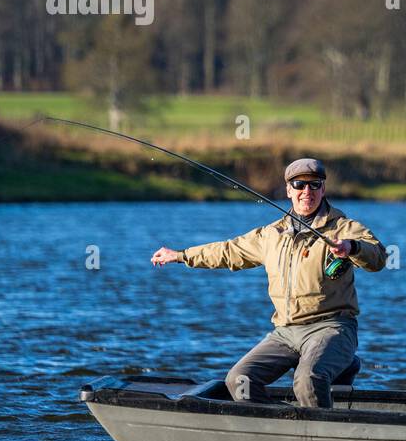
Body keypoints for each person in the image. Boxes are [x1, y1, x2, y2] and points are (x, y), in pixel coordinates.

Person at [150, 158, 385, 408]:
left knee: (307, 381)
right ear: (288, 190)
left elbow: (378, 257)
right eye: (299, 185)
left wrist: (352, 247)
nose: (307, 192)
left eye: (314, 185)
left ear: (323, 189)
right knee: (240, 380)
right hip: (284, 331)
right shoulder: (270, 235)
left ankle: (325, 437)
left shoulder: (344, 228)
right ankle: (287, 425)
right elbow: (228, 251)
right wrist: (181, 255)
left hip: (332, 328)